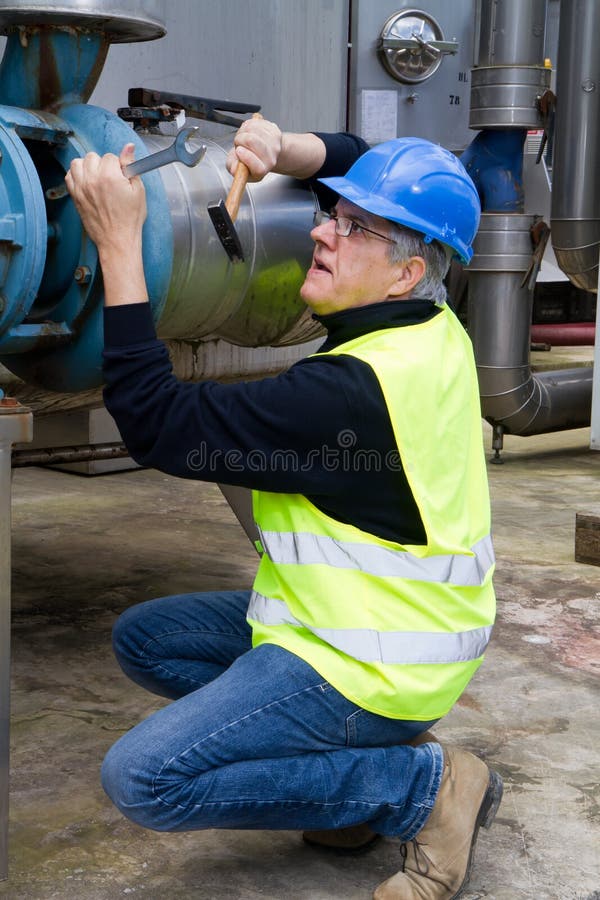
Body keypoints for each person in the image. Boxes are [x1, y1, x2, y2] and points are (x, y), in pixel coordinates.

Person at [66, 117, 503, 900]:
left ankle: (418, 790)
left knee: (142, 779)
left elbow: (157, 424)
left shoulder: (345, 395)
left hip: (376, 663)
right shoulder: (431, 322)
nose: (321, 230)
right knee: (148, 640)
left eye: (353, 227)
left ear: (405, 272)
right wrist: (288, 151)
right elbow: (360, 161)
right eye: (334, 212)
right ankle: (355, 777)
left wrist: (118, 245)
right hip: (384, 622)